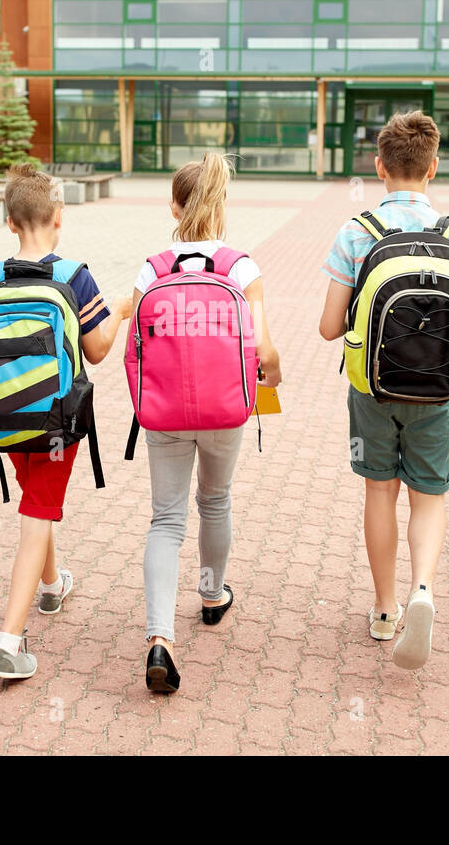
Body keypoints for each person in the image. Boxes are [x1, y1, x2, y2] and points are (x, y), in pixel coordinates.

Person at [317, 112, 449, 669]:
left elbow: (327, 326)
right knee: (428, 496)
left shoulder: (357, 231)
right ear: (433, 168)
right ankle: (422, 590)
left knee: (379, 493)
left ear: (379, 167)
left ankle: (386, 608)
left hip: (372, 389)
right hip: (437, 392)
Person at [135, 152, 281, 694]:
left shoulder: (151, 269)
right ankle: (212, 597)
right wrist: (273, 381)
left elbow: (136, 341)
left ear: (173, 206)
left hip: (165, 412)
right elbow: (265, 353)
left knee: (165, 520)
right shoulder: (242, 270)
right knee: (215, 502)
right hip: (225, 410)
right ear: (222, 208)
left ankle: (159, 638)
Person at [0, 164, 131, 680]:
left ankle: (52, 586)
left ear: (9, 221)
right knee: (36, 516)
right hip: (54, 423)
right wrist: (121, 310)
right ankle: (8, 642)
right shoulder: (73, 276)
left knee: (35, 505)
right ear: (59, 218)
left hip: (0, 416)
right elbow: (98, 348)